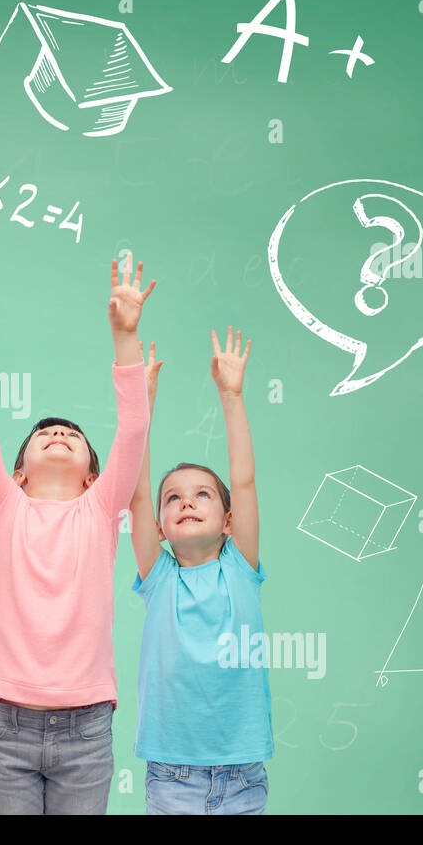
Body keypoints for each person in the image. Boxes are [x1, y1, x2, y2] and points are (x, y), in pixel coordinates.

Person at [0, 249, 154, 814]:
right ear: (17, 472)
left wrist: (125, 338)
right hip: (3, 722)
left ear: (93, 474)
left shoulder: (102, 509)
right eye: (44, 433)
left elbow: (134, 427)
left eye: (69, 432)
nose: (57, 432)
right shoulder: (4, 506)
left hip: (86, 727)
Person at [128, 329, 273, 815]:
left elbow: (245, 481)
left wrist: (231, 396)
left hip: (243, 775)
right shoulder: (159, 576)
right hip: (172, 777)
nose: (186, 500)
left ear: (229, 522)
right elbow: (136, 489)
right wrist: (141, 408)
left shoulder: (241, 564)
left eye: (202, 494)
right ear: (161, 527)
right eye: (174, 498)